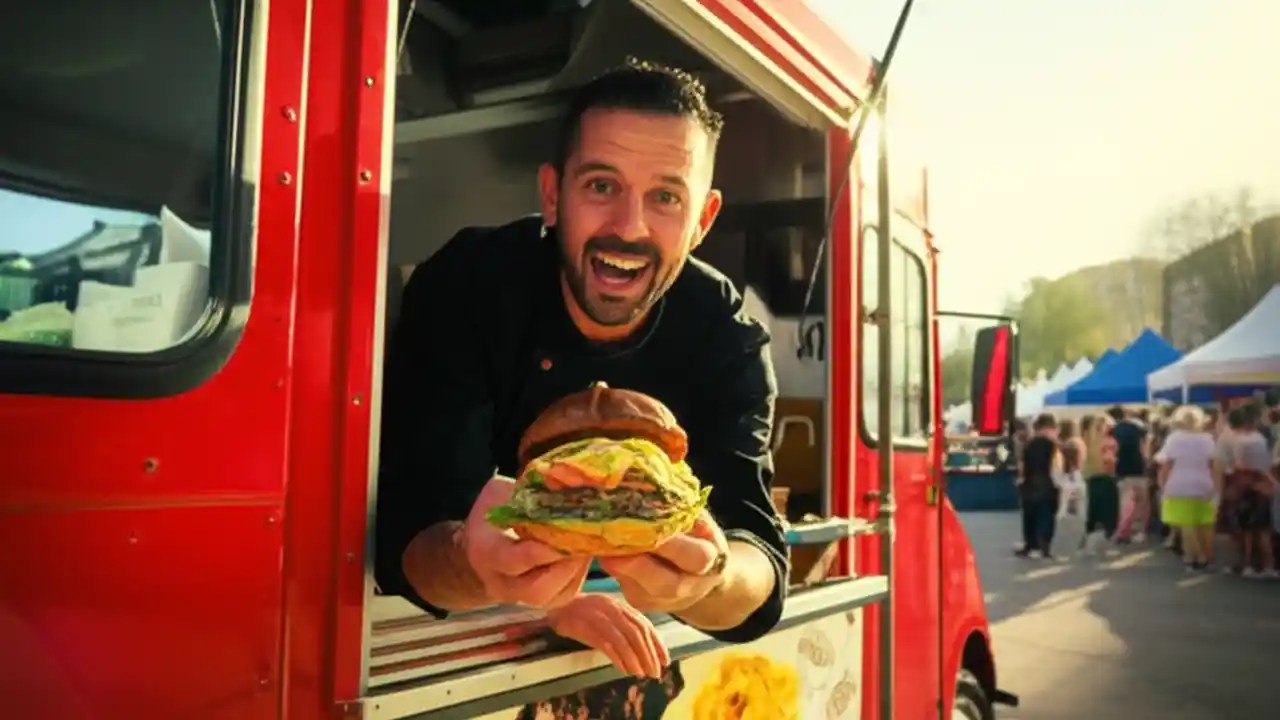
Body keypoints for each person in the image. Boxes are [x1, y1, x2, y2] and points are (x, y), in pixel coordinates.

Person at [374, 61, 790, 676]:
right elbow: (411, 540)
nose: (629, 227)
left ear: (703, 220)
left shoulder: (726, 337)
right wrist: (490, 574)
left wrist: (711, 578)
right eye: (601, 186)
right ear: (552, 195)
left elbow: (760, 561)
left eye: (667, 197)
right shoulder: (469, 285)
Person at [1154, 406, 1220, 571]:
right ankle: (1206, 557)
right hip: (1203, 483)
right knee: (1203, 523)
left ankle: (1192, 557)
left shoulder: (1174, 438)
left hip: (1178, 484)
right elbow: (1213, 464)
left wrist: (1162, 485)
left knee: (1186, 524)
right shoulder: (1207, 439)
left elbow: (1166, 464)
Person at [1219, 407, 1277, 578]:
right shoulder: (1261, 438)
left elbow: (1240, 465)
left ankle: (1247, 564)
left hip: (1246, 487)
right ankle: (1269, 566)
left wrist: (1230, 470)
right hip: (1263, 486)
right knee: (1264, 530)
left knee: (1246, 530)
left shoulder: (1241, 441)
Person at [1016, 413, 1061, 559]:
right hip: (1047, 483)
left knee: (1029, 516)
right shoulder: (1053, 445)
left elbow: (1022, 465)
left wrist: (1021, 480)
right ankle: (1044, 546)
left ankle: (1030, 545)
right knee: (1046, 515)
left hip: (1030, 483)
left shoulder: (1029, 444)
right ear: (1050, 427)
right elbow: (1056, 467)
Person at [1110, 405, 1151, 543]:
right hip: (1139, 467)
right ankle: (1140, 531)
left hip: (1122, 468)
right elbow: (1144, 448)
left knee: (1126, 502)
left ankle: (1124, 531)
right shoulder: (1139, 428)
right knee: (1141, 502)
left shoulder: (1114, 430)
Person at [1052, 419, 1088, 558]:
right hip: (1079, 479)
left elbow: (1058, 467)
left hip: (1064, 480)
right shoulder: (1080, 443)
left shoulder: (1060, 446)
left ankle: (1059, 542)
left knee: (1062, 511)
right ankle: (1081, 540)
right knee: (1081, 511)